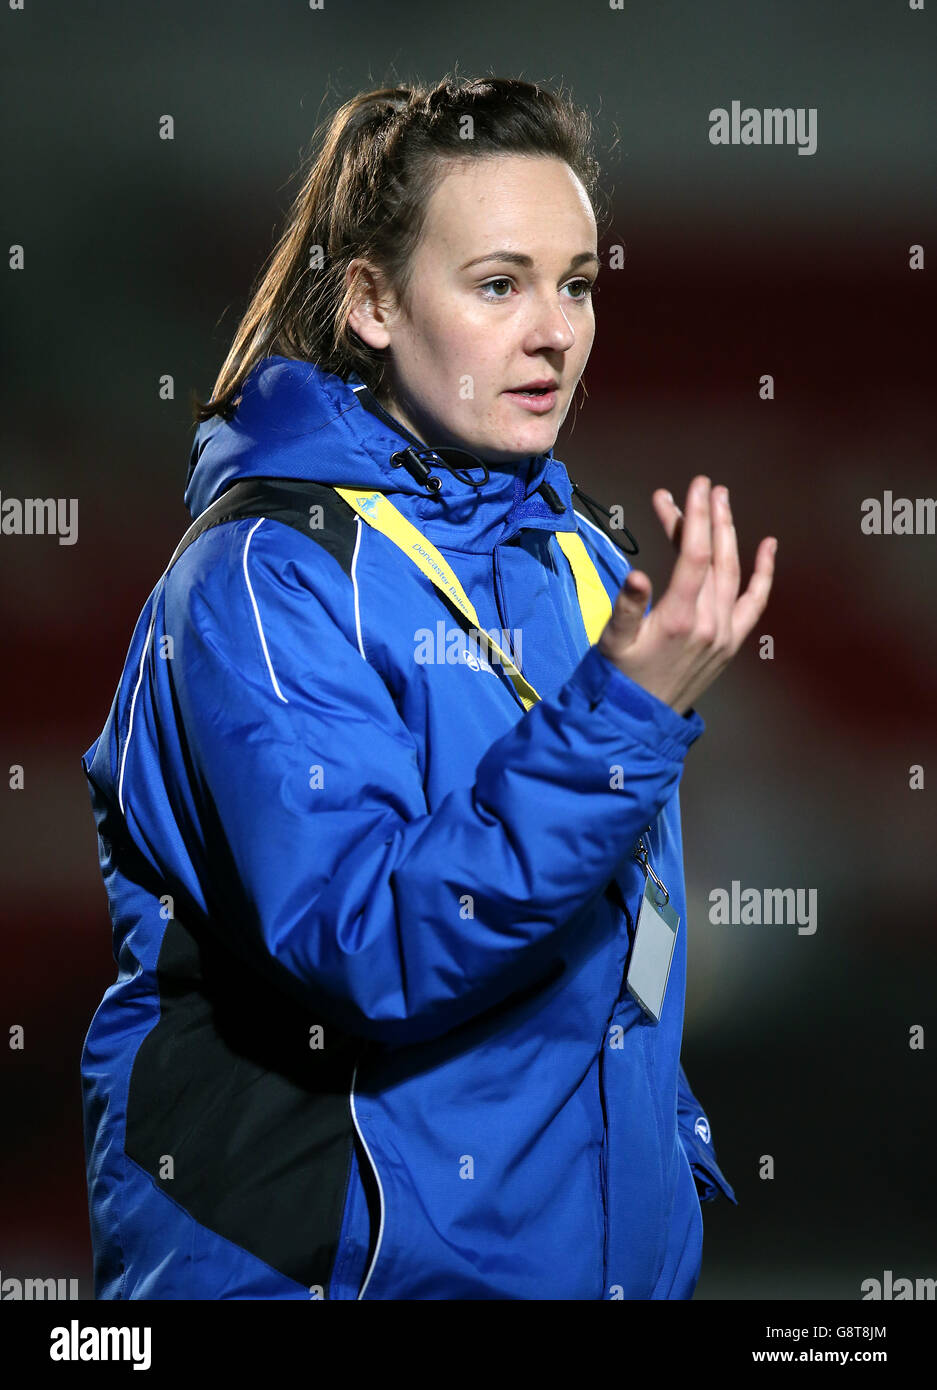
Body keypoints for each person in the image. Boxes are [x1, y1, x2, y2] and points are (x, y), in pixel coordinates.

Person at [79, 74, 776, 1301]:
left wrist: (668, 1171)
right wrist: (625, 717)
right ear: (370, 303)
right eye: (499, 283)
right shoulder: (260, 579)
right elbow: (372, 942)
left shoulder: (584, 565)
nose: (555, 331)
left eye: (577, 283)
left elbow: (625, 945)